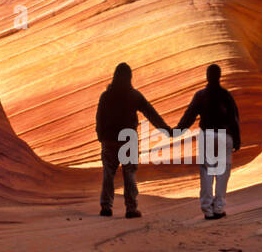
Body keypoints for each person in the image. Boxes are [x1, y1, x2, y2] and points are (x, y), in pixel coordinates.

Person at [94, 62, 172, 218]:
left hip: (109, 140)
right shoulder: (134, 95)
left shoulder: (106, 96)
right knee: (129, 173)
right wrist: (167, 130)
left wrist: (101, 136)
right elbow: (151, 114)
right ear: (129, 77)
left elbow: (99, 117)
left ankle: (106, 207)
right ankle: (131, 208)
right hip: (128, 140)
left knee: (108, 173)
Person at [175, 64, 240, 220]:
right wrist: (237, 139)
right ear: (219, 76)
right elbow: (234, 118)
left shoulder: (201, 95)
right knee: (222, 173)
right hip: (225, 135)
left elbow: (189, 116)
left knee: (207, 171)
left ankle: (208, 210)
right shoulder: (226, 95)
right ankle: (218, 208)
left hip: (208, 135)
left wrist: (177, 130)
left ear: (207, 76)